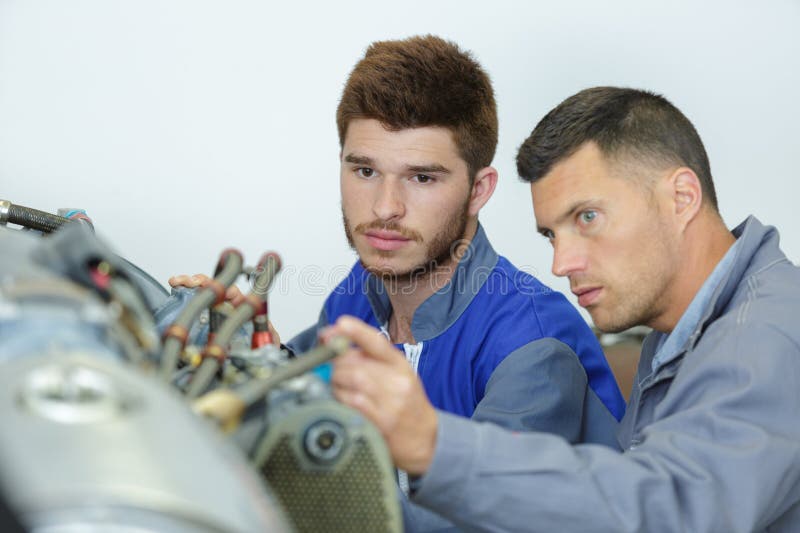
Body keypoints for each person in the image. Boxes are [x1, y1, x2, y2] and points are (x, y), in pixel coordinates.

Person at [168, 38, 624, 531]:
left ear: (479, 190)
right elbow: (304, 389)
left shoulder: (533, 347)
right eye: (364, 170)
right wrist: (252, 351)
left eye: (422, 178)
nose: (385, 208)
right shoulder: (359, 294)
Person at [326, 86, 800, 531]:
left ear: (681, 198)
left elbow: (672, 511)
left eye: (587, 217)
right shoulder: (684, 326)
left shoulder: (763, 337)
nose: (560, 263)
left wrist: (434, 447)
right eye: (552, 234)